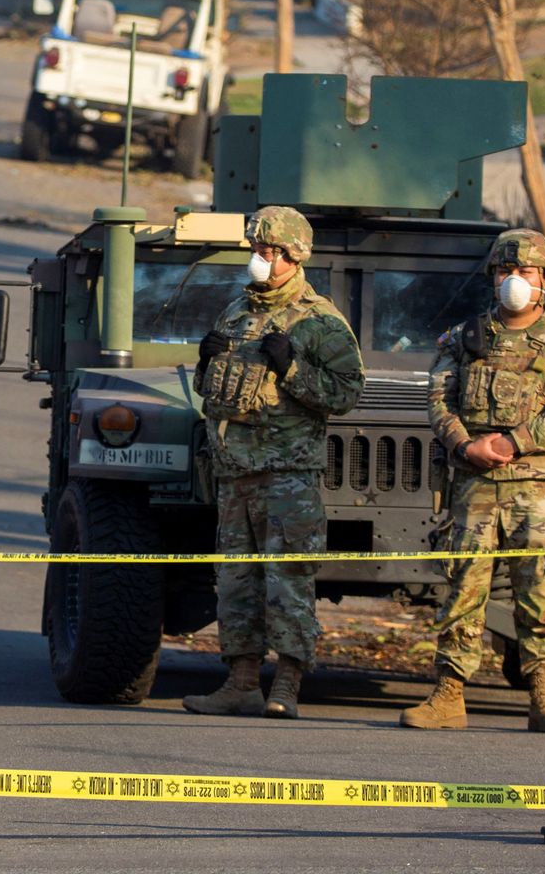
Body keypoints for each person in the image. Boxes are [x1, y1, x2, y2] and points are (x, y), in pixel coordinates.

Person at [402, 228, 545, 733]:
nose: (515, 280)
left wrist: (513, 442)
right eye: (505, 271)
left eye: (526, 272)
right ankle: (448, 695)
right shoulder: (464, 339)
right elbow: (437, 400)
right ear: (493, 278)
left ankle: (544, 696)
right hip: (474, 483)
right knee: (463, 587)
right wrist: (465, 444)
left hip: (538, 486)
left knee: (538, 589)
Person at [183, 206, 363, 720]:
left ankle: (286, 682)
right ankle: (240, 682)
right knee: (238, 580)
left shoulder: (319, 320)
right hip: (234, 472)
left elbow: (346, 393)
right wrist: (205, 360)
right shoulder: (235, 312)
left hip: (287, 475)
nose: (259, 258)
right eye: (256, 249)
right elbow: (215, 392)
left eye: (269, 250)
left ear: (293, 255)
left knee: (288, 579)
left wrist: (292, 368)